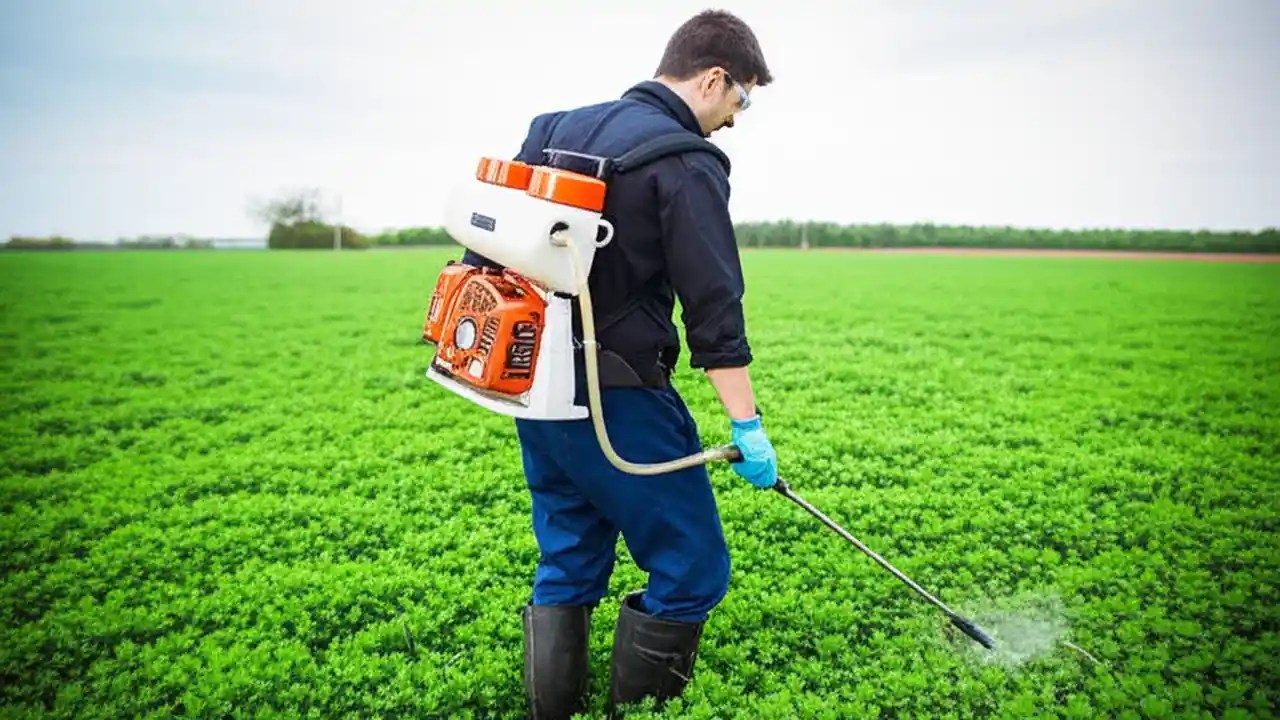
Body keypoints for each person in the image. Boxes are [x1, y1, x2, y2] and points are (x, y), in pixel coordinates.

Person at [459, 10, 777, 719]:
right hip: (623, 401)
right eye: (742, 98)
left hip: (534, 389)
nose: (735, 118)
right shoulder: (686, 161)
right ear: (714, 78)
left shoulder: (553, 129)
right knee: (693, 566)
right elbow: (714, 311)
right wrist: (746, 425)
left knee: (568, 555)